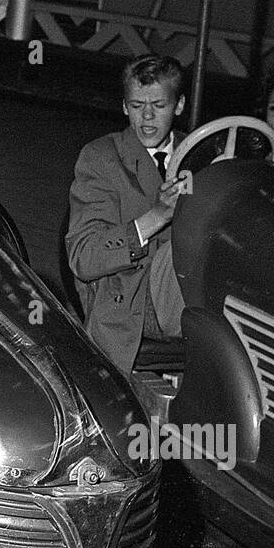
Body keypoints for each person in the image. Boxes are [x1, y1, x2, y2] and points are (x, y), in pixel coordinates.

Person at [66, 55, 190, 374]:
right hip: (134, 299)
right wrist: (157, 217)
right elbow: (84, 258)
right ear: (124, 106)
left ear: (179, 106)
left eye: (159, 106)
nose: (147, 117)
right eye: (136, 106)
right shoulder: (102, 159)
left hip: (192, 285)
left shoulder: (202, 156)